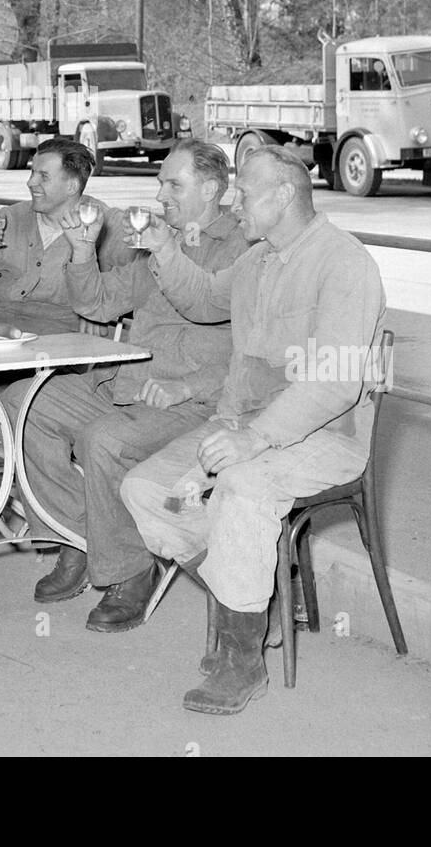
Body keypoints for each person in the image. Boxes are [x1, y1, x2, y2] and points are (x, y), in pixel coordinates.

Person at [120, 144, 386, 715]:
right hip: (242, 427)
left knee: (242, 490)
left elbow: (335, 383)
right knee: (145, 490)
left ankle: (240, 660)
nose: (235, 201)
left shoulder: (345, 263)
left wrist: (256, 438)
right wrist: (166, 248)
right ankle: (253, 598)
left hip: (323, 438)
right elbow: (204, 299)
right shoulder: (258, 259)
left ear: (284, 195)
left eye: (245, 191)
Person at [5, 141, 248, 632]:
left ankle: (130, 571)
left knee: (103, 440)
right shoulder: (170, 239)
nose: (160, 196)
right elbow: (99, 304)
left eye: (171, 184)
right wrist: (80, 252)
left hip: (196, 402)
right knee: (23, 405)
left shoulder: (243, 249)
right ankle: (81, 537)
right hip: (132, 386)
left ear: (211, 189)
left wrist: (187, 388)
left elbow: (259, 354)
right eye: (160, 183)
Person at [0, 137, 131, 336]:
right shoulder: (10, 218)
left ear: (72, 186)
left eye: (43, 176)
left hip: (60, 340)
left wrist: (101, 313)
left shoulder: (107, 224)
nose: (30, 182)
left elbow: (147, 272)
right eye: (32, 172)